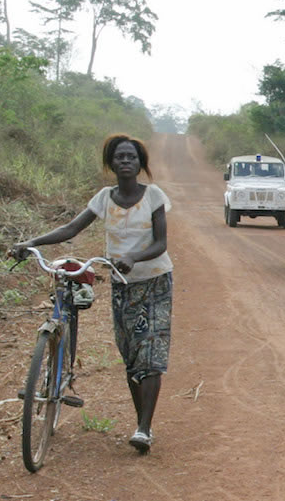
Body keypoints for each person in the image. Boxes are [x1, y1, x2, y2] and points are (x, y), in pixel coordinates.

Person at [12, 134, 173, 455]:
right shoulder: (104, 198)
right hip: (121, 286)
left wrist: (133, 258)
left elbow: (160, 243)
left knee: (150, 354)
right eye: (120, 157)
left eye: (132, 157)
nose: (126, 162)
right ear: (111, 163)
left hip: (154, 282)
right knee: (130, 357)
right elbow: (71, 229)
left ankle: (143, 428)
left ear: (141, 164)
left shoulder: (154, 196)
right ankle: (143, 421)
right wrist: (31, 242)